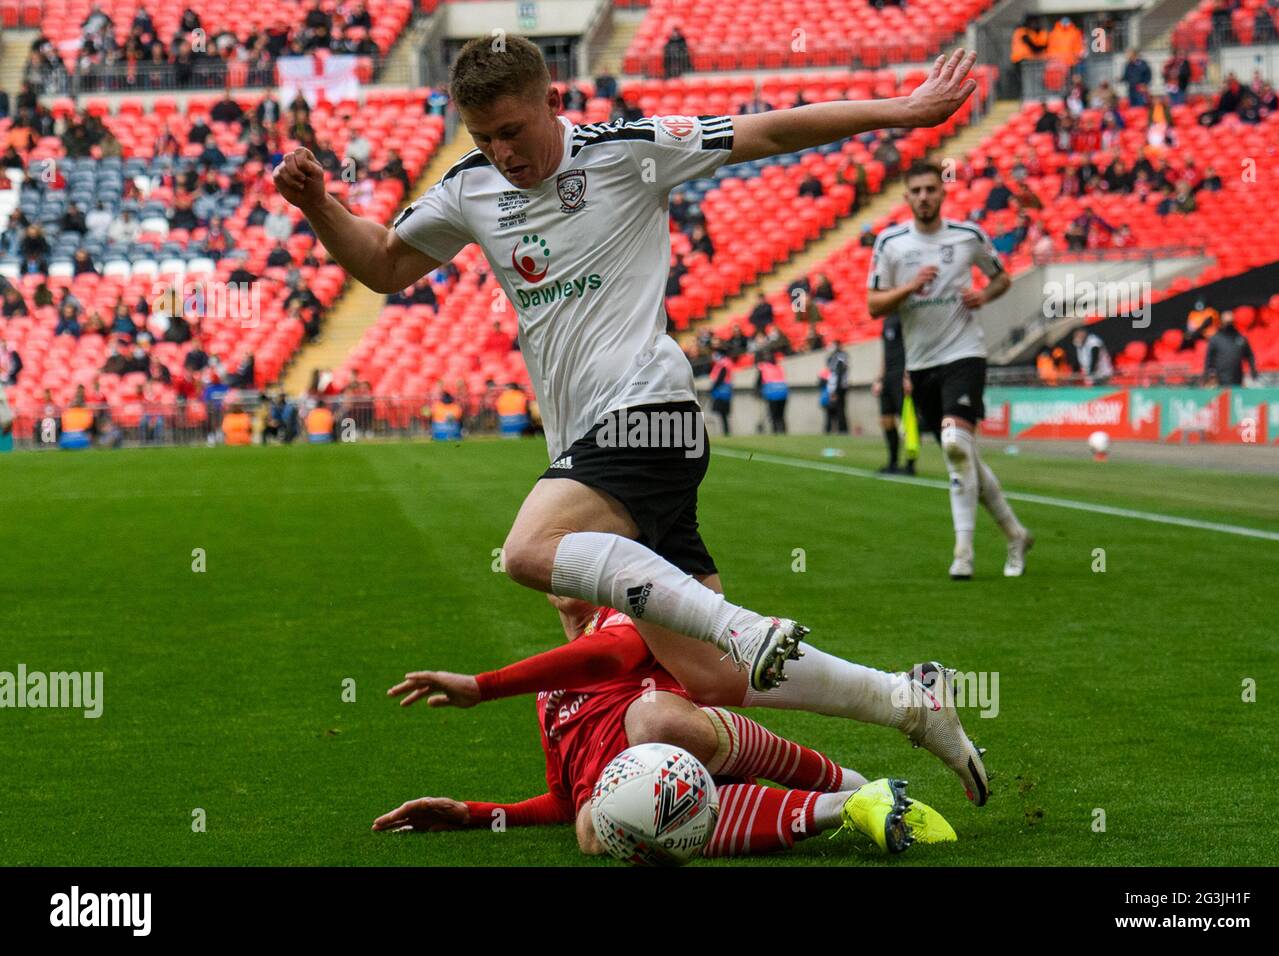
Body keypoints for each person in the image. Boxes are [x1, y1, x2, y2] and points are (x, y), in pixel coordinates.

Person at [273, 35, 989, 805]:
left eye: (512, 130)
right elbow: (383, 263)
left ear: (554, 100)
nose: (501, 151)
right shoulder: (469, 187)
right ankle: (906, 705)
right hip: (587, 438)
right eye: (484, 137)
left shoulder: (629, 151)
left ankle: (746, 630)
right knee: (707, 676)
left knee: (527, 552)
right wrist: (320, 203)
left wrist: (904, 111)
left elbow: (770, 130)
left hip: (651, 409)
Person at [374, 595, 956, 859]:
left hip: (688, 739)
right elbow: (560, 799)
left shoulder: (630, 615)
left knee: (652, 718)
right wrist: (475, 815)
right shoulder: (548, 694)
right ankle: (850, 807)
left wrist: (484, 684)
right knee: (588, 826)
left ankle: (840, 781)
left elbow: (607, 657)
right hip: (658, 798)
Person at [867, 162, 1032, 581]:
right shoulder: (890, 243)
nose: (924, 197)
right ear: (906, 197)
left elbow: (1002, 279)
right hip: (920, 363)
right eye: (916, 191)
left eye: (930, 190)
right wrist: (909, 287)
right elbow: (873, 305)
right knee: (964, 455)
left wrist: (983, 295)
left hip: (965, 353)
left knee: (956, 446)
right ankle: (1015, 533)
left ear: (943, 194)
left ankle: (964, 554)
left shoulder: (968, 237)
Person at [873, 314, 915, 474]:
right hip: (887, 377)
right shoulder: (886, 321)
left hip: (901, 375)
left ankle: (910, 464)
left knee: (907, 421)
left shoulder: (904, 317)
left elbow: (911, 346)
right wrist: (879, 378)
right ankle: (893, 462)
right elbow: (885, 353)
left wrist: (907, 375)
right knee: (886, 420)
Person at [1203, 311, 1258, 386]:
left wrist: (1253, 370)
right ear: (1221, 322)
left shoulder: (1240, 338)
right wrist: (1208, 373)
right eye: (1226, 322)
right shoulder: (1215, 339)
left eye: (1230, 322)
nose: (1229, 325)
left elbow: (1249, 355)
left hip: (1237, 378)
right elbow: (1209, 359)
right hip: (1220, 380)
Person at [824, 340, 849, 434]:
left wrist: (834, 389)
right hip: (840, 386)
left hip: (838, 387)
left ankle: (841, 429)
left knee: (838, 409)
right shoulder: (841, 356)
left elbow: (839, 373)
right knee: (840, 409)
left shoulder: (840, 356)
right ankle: (841, 429)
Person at [707, 348, 734, 436]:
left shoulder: (723, 364)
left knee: (722, 413)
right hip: (725, 390)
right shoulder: (723, 363)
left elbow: (720, 378)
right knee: (723, 414)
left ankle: (726, 431)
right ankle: (725, 431)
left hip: (722, 391)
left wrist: (713, 388)